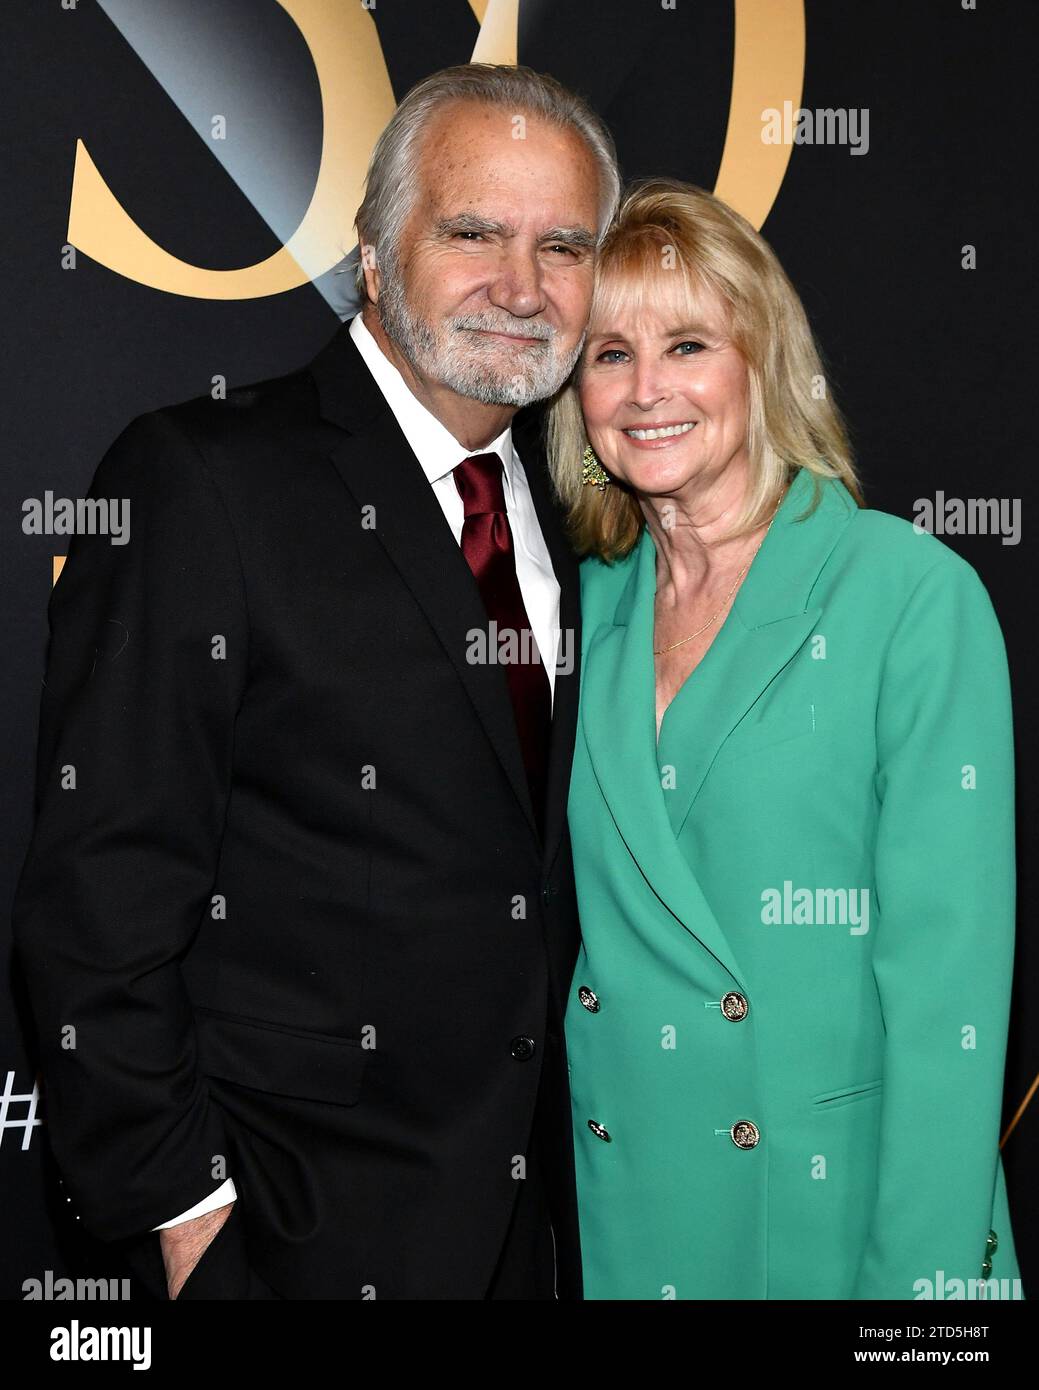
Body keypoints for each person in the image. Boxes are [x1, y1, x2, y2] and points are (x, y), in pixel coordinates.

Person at [11, 63, 620, 1300]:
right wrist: (187, 1219)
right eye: (473, 233)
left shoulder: (582, 513)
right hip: (290, 1235)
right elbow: (100, 894)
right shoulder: (202, 480)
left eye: (563, 245)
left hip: (537, 1241)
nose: (521, 286)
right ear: (377, 254)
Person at [547, 178, 1022, 1299]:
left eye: (689, 344)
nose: (646, 389)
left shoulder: (907, 595)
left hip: (836, 1220)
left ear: (763, 365)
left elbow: (949, 1012)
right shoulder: (578, 609)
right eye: (609, 353)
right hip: (627, 1218)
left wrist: (920, 1302)